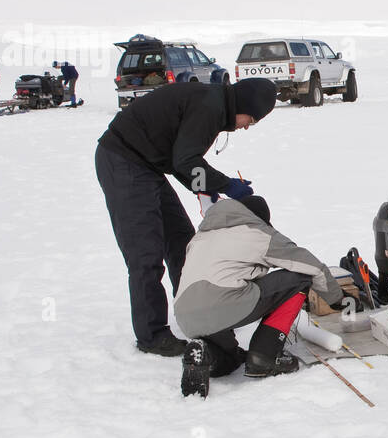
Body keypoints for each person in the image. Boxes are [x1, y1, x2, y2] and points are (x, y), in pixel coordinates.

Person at [95, 78, 277, 357]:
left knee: (182, 242)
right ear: (242, 105)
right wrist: (226, 185)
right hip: (124, 160)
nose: (246, 126)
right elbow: (185, 162)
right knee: (145, 252)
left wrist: (207, 186)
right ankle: (152, 335)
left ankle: (200, 314)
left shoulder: (214, 104)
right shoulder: (210, 106)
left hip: (148, 165)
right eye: (250, 119)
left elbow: (180, 158)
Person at [173, 195, 345, 396]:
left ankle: (203, 352)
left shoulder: (201, 237)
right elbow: (310, 265)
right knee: (300, 277)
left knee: (229, 360)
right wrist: (338, 299)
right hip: (222, 304)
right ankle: (265, 355)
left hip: (186, 316)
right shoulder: (257, 232)